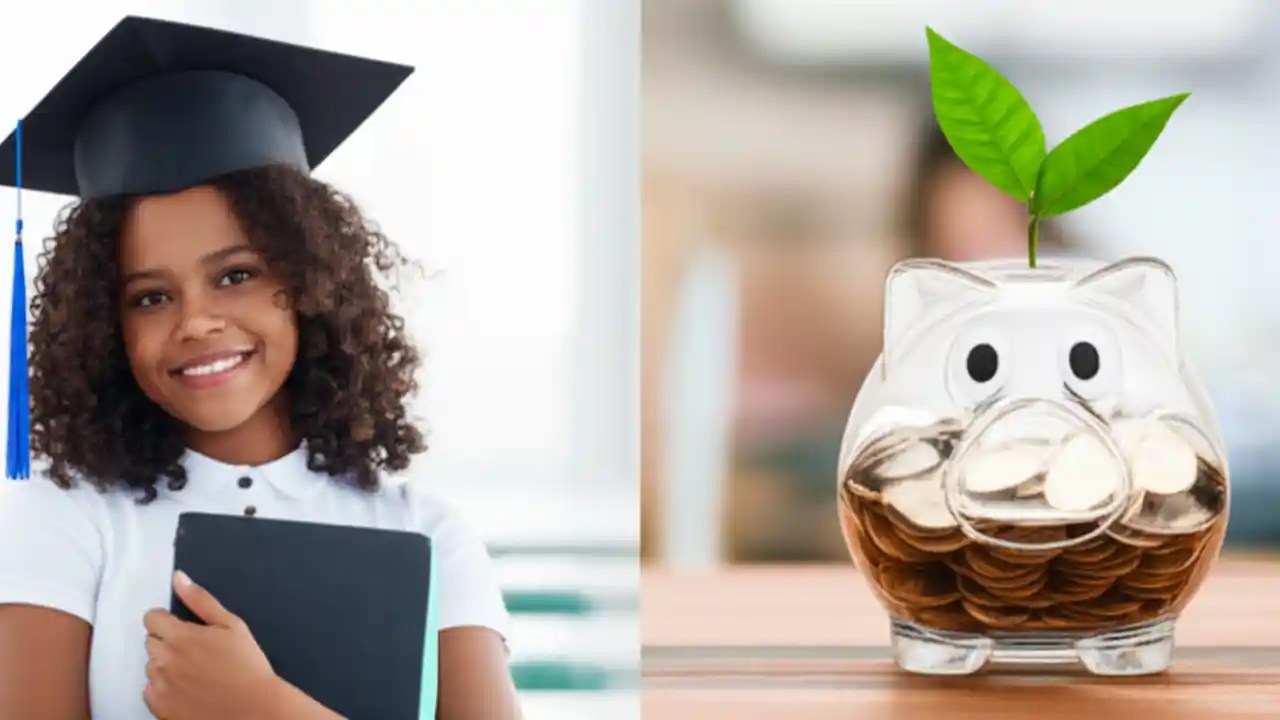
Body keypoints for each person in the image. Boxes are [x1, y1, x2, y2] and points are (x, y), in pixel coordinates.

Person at [0, 16, 519, 719]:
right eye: (150, 296)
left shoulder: (423, 532)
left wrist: (265, 708)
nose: (196, 322)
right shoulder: (68, 519)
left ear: (310, 283)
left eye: (236, 275)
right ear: (104, 326)